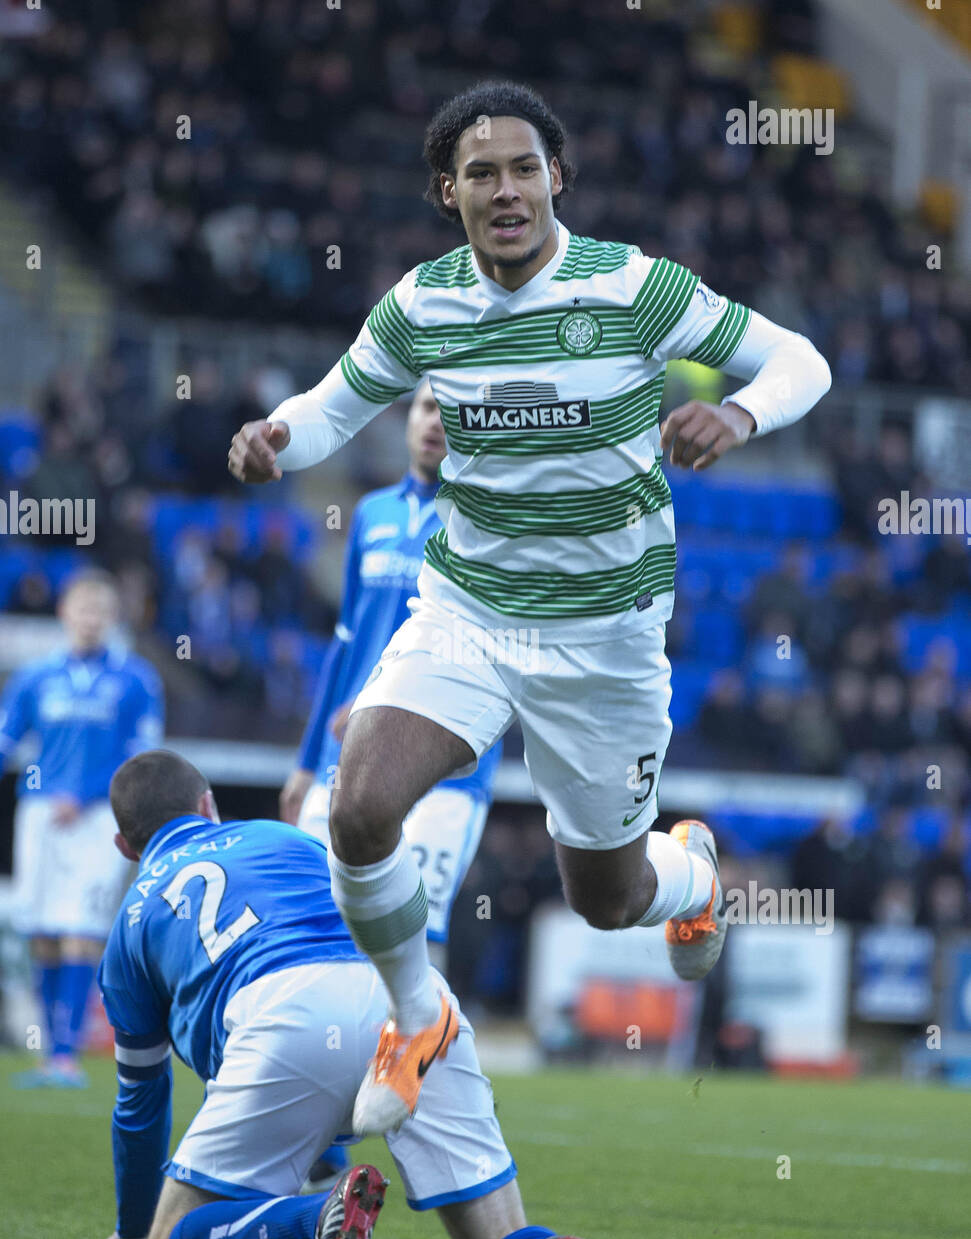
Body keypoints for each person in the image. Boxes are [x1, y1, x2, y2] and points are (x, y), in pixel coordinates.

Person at [228, 80, 832, 1134]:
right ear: (444, 192)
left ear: (556, 176)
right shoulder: (423, 303)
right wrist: (275, 439)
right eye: (479, 173)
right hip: (466, 609)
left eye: (522, 167)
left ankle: (689, 876)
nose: (504, 189)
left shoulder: (631, 287)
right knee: (358, 805)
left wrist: (736, 411)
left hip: (604, 638)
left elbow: (801, 359)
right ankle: (417, 1016)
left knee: (604, 900)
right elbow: (330, 408)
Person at [93, 750, 686, 1239]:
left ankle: (319, 1214)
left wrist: (130, 1232)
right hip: (414, 1002)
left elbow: (140, 1104)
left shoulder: (129, 925)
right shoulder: (281, 836)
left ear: (123, 845)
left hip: (284, 1012)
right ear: (207, 806)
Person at [280, 379, 501, 962]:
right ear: (407, 419)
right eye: (428, 408)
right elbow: (345, 643)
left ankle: (424, 1051)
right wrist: (304, 765)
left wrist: (384, 697)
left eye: (453, 415)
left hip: (445, 759)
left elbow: (485, 644)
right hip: (343, 751)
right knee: (315, 918)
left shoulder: (489, 523)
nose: (436, 423)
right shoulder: (371, 514)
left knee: (415, 932)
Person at [0, 570, 163, 1087]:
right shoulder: (35, 677)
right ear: (64, 615)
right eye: (81, 611)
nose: (89, 622)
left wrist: (88, 794)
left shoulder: (136, 679)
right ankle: (51, 1053)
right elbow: (8, 737)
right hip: (41, 815)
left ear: (111, 619)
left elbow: (141, 753)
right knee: (42, 929)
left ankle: (67, 1055)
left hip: (97, 819)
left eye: (99, 613)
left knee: (80, 929)